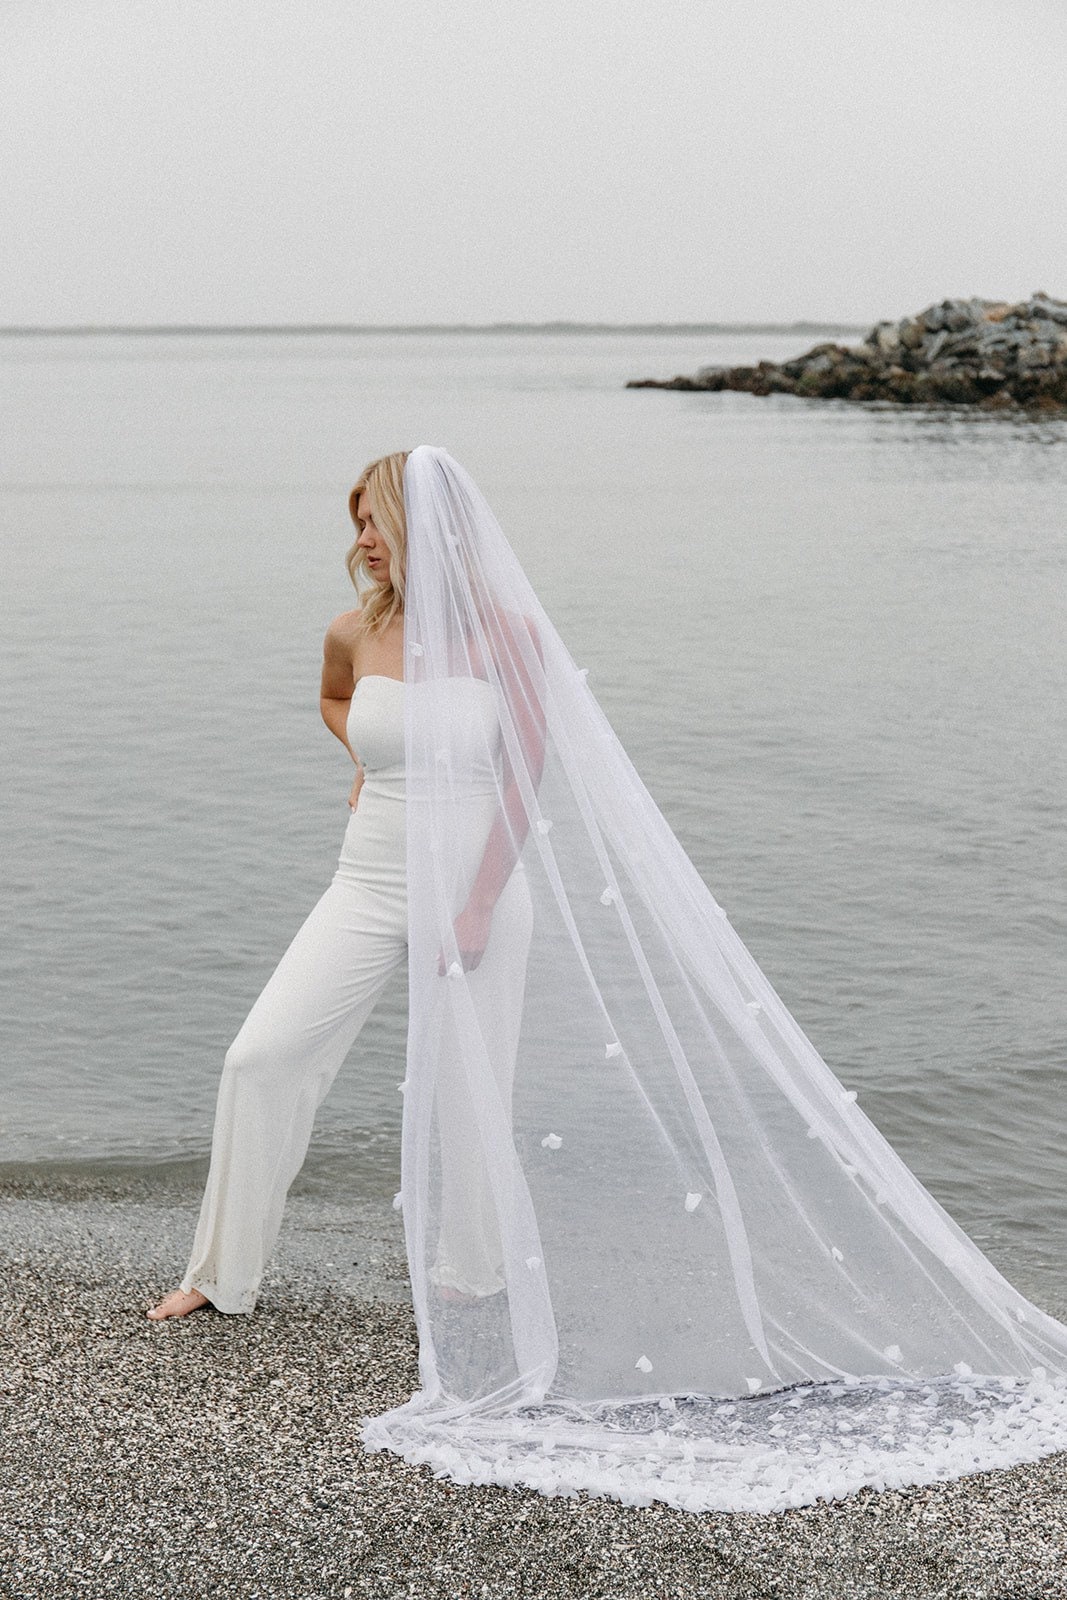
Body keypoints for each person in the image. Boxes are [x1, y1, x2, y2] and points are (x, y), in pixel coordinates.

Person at [150, 446, 1067, 1515]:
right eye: (353, 520)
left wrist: (481, 896)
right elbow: (331, 698)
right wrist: (367, 761)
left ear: (425, 527)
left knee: (467, 1086)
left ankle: (473, 1269)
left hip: (477, 882)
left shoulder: (508, 638)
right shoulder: (352, 630)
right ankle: (222, 1274)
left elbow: (528, 765)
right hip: (363, 880)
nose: (357, 538)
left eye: (373, 519)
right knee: (259, 1056)